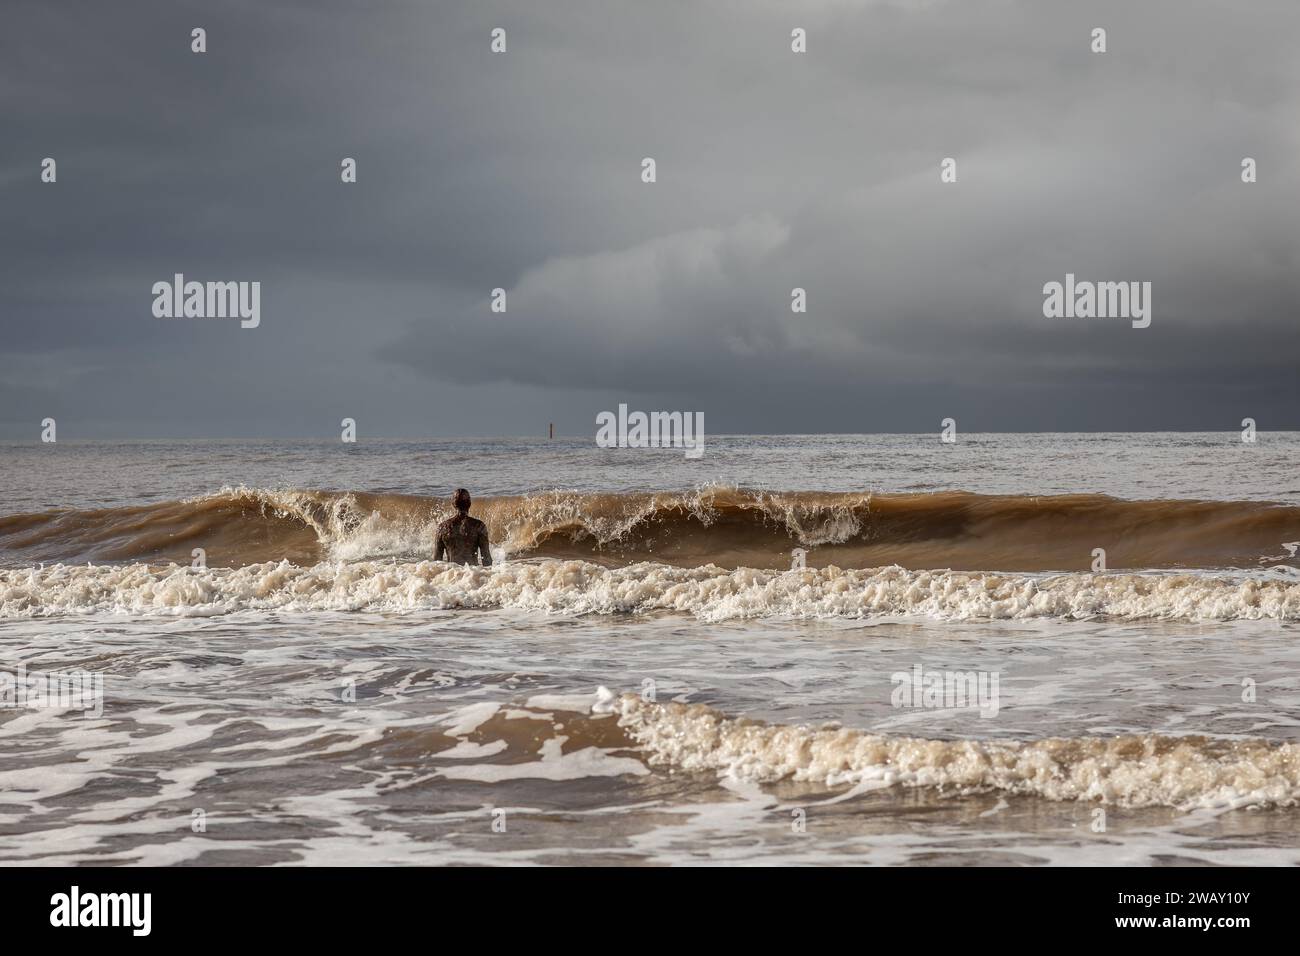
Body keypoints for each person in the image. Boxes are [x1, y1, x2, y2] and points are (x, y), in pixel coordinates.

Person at [433, 488, 493, 566]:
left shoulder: (442, 528)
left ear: (453, 504)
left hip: (451, 574)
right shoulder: (479, 526)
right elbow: (486, 559)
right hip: (471, 575)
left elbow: (436, 562)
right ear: (469, 503)